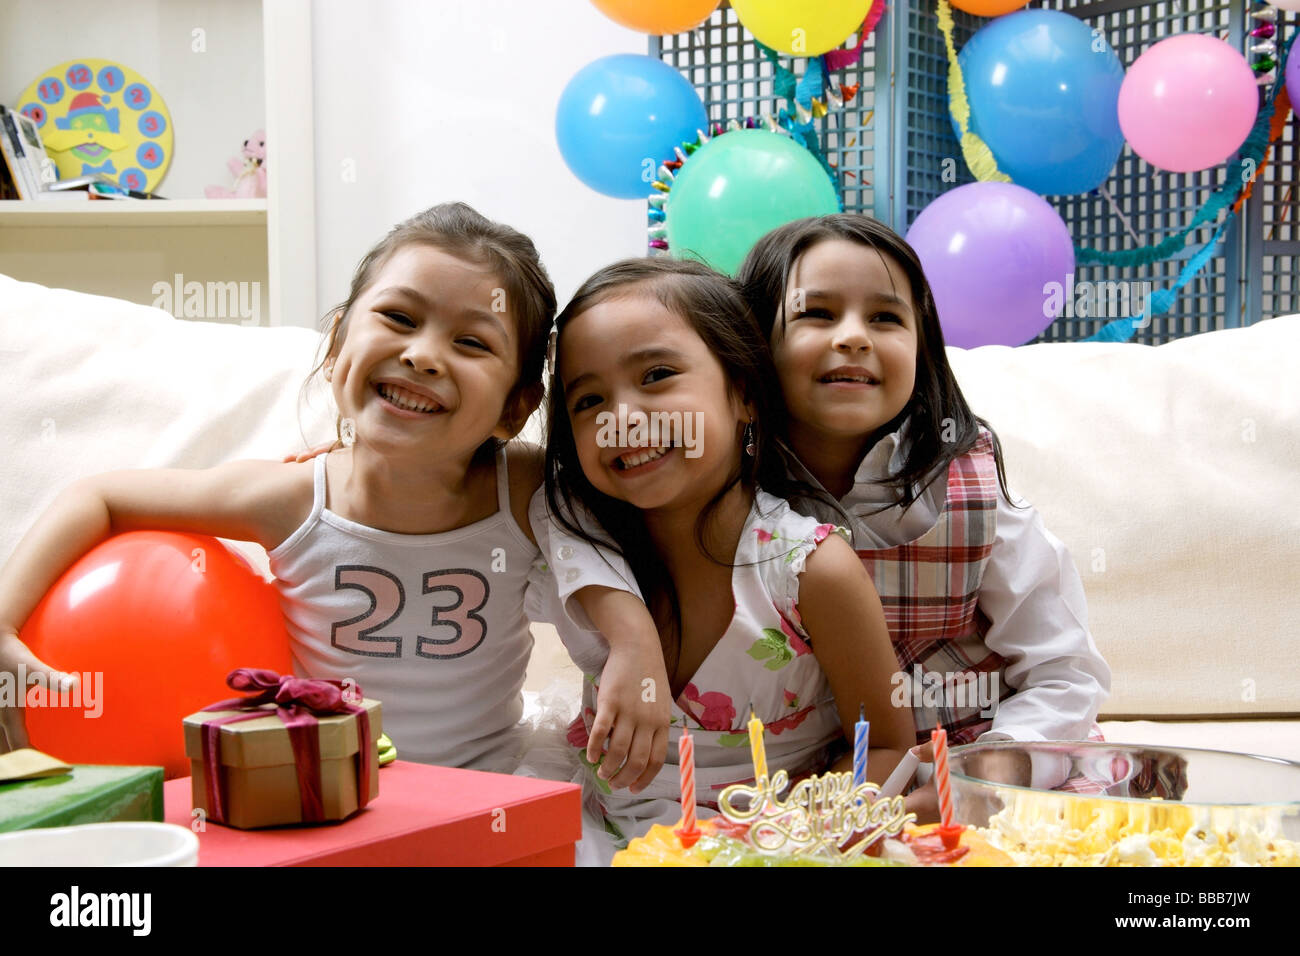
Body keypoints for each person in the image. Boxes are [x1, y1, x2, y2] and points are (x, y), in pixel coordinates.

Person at [0, 202, 622, 773]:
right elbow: (100, 498)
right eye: (399, 318)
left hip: (490, 791)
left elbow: (626, 534)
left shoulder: (526, 490)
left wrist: (633, 649)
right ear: (335, 347)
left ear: (515, 407)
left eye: (471, 342)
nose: (423, 356)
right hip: (324, 793)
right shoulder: (293, 499)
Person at [528, 257, 913, 864]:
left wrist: (787, 842)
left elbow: (888, 748)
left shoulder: (811, 570)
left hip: (770, 844)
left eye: (656, 375)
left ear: (744, 395)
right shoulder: (581, 534)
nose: (621, 419)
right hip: (597, 838)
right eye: (588, 400)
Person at [735, 214, 1111, 816]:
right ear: (752, 340)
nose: (854, 336)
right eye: (817, 313)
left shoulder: (968, 492)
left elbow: (1062, 672)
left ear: (922, 346)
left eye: (885, 317)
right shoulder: (730, 501)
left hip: (981, 768)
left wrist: (988, 777)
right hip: (821, 787)